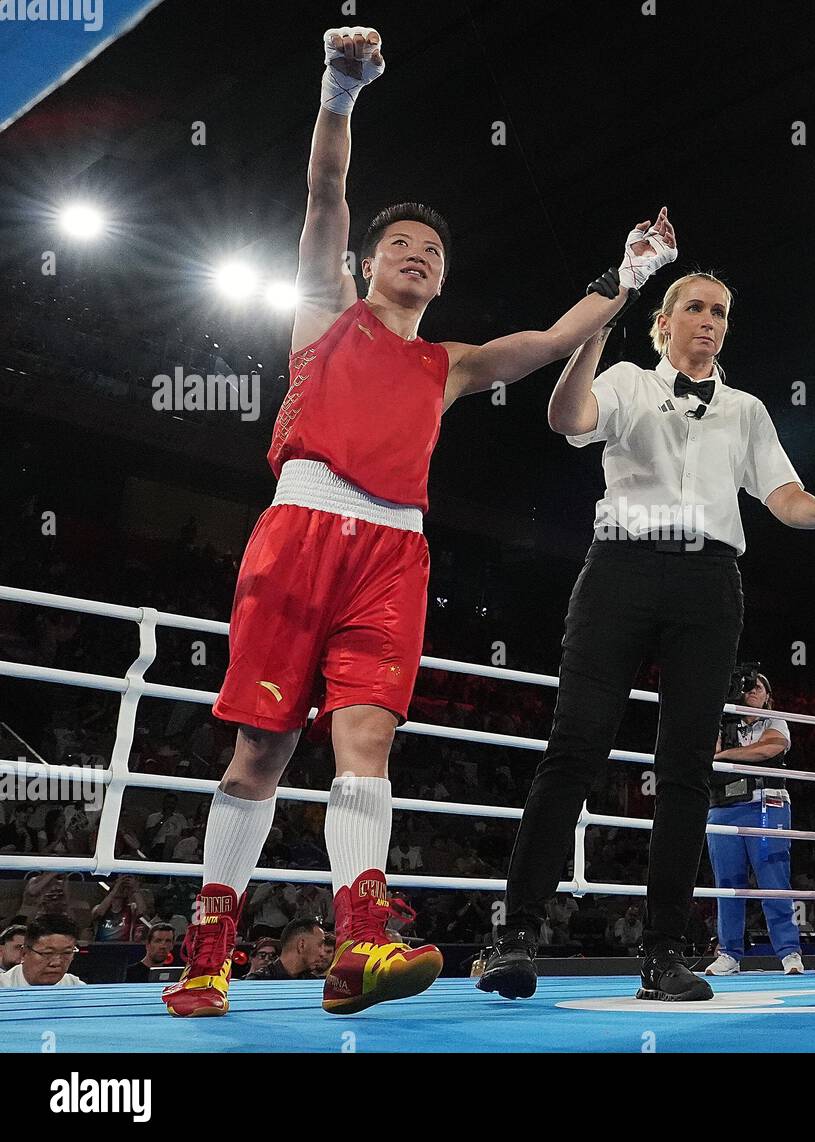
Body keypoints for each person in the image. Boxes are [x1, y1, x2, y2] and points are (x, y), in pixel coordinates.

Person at [163, 25, 677, 1020]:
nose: (415, 253)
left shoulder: (452, 365)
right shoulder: (322, 314)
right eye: (399, 243)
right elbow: (324, 193)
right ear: (364, 266)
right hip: (299, 531)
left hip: (394, 551)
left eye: (431, 251)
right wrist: (339, 88)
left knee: (367, 737)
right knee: (261, 751)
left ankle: (362, 941)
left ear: (441, 280)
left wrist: (632, 270)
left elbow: (554, 338)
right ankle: (208, 946)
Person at [477, 270, 815, 1002]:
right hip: (620, 567)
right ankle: (514, 937)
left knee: (687, 766)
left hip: (710, 581)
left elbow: (782, 496)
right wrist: (589, 335)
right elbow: (566, 418)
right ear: (663, 323)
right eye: (695, 307)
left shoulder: (746, 409)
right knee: (575, 748)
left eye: (720, 311)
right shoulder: (625, 378)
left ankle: (663, 955)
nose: (710, 321)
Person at [703, 673, 804, 976]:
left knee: (773, 876)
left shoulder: (774, 721)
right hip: (723, 808)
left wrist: (726, 758)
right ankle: (729, 954)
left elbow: (768, 749)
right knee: (727, 883)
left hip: (766, 804)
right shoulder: (720, 721)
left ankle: (789, 952)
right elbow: (706, 756)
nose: (751, 691)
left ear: (767, 695)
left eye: (758, 686)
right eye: (746, 686)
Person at [0, 914, 86, 987]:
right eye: (47, 953)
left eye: (67, 953)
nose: (56, 963)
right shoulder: (3, 985)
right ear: (24, 953)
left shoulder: (74, 986)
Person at [244, 918, 328, 980]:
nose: (323, 954)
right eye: (320, 945)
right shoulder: (256, 982)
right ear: (301, 945)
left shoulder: (313, 983)